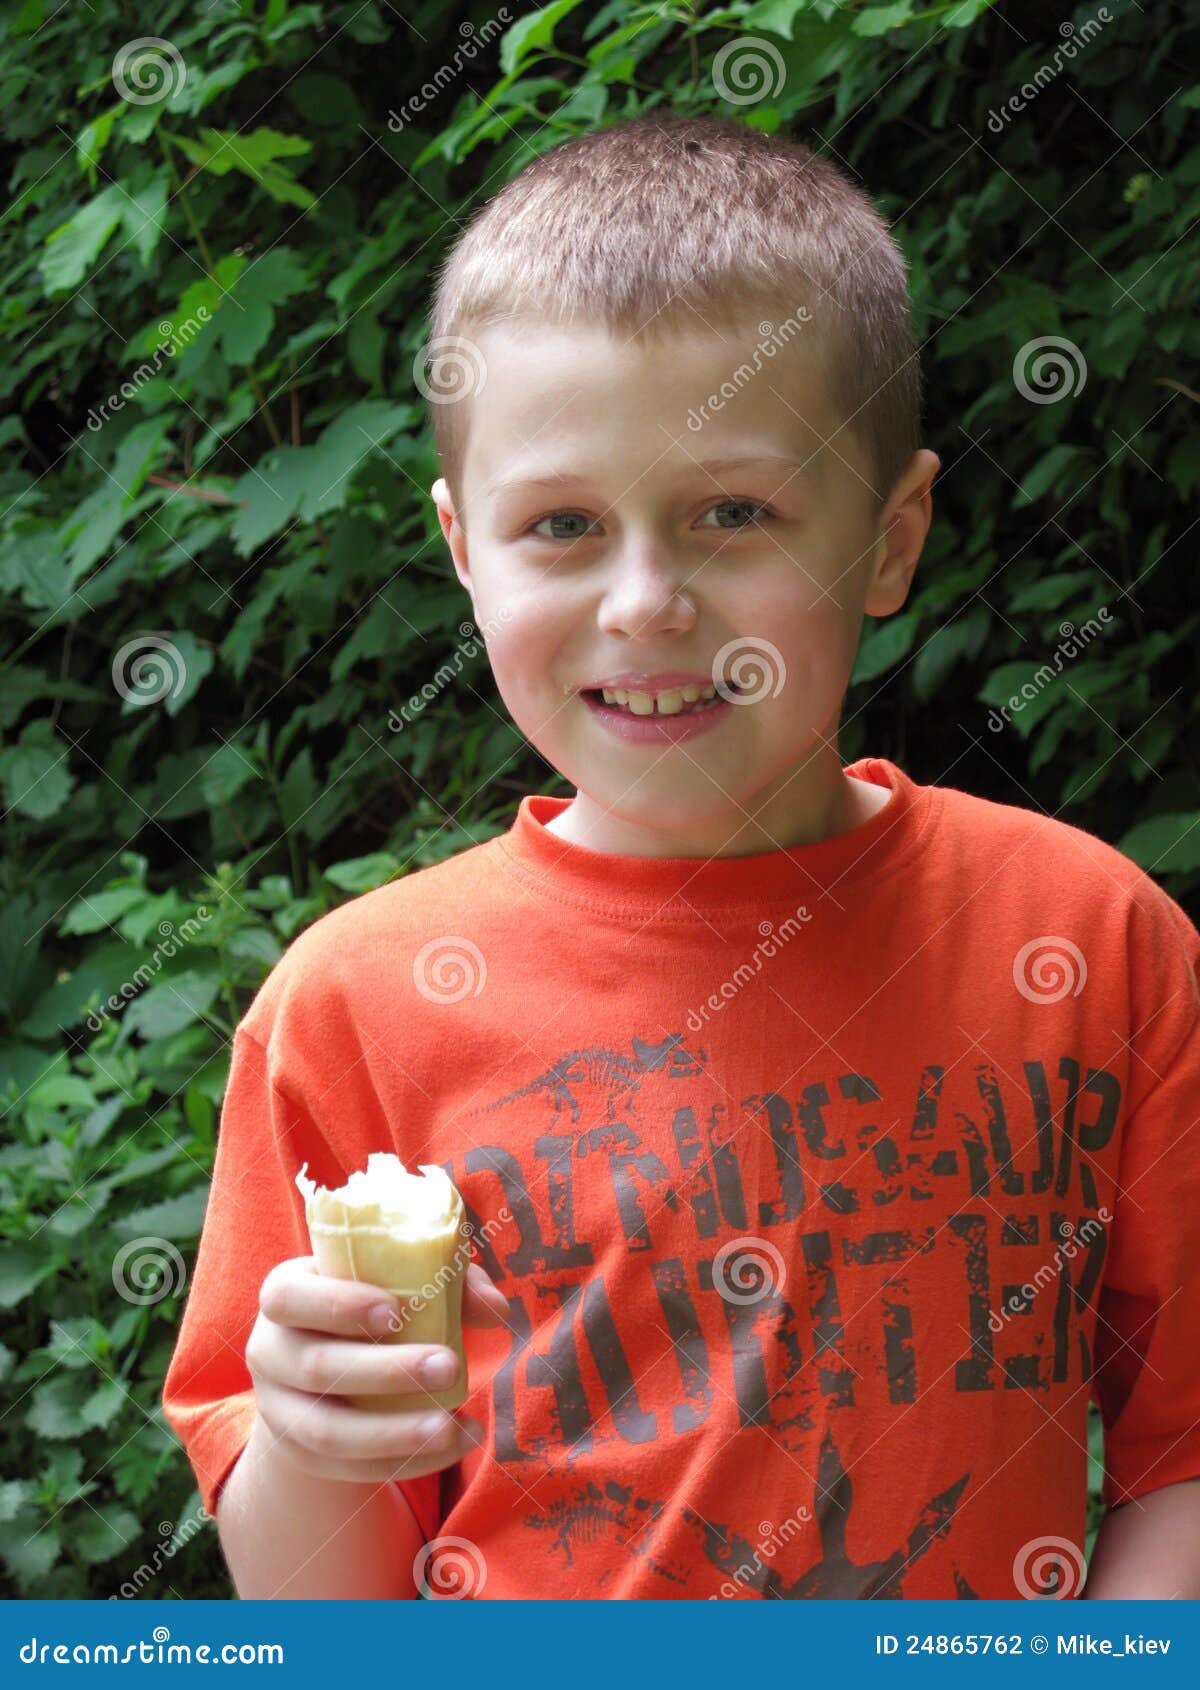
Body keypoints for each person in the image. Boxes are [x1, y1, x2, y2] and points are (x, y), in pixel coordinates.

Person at [162, 112, 1200, 1601]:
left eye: (733, 513)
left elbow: (1184, 1450)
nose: (646, 601)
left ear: (891, 537)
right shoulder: (356, 1011)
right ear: (465, 552)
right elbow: (326, 1614)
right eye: (562, 524)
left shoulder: (1087, 938)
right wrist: (316, 1438)